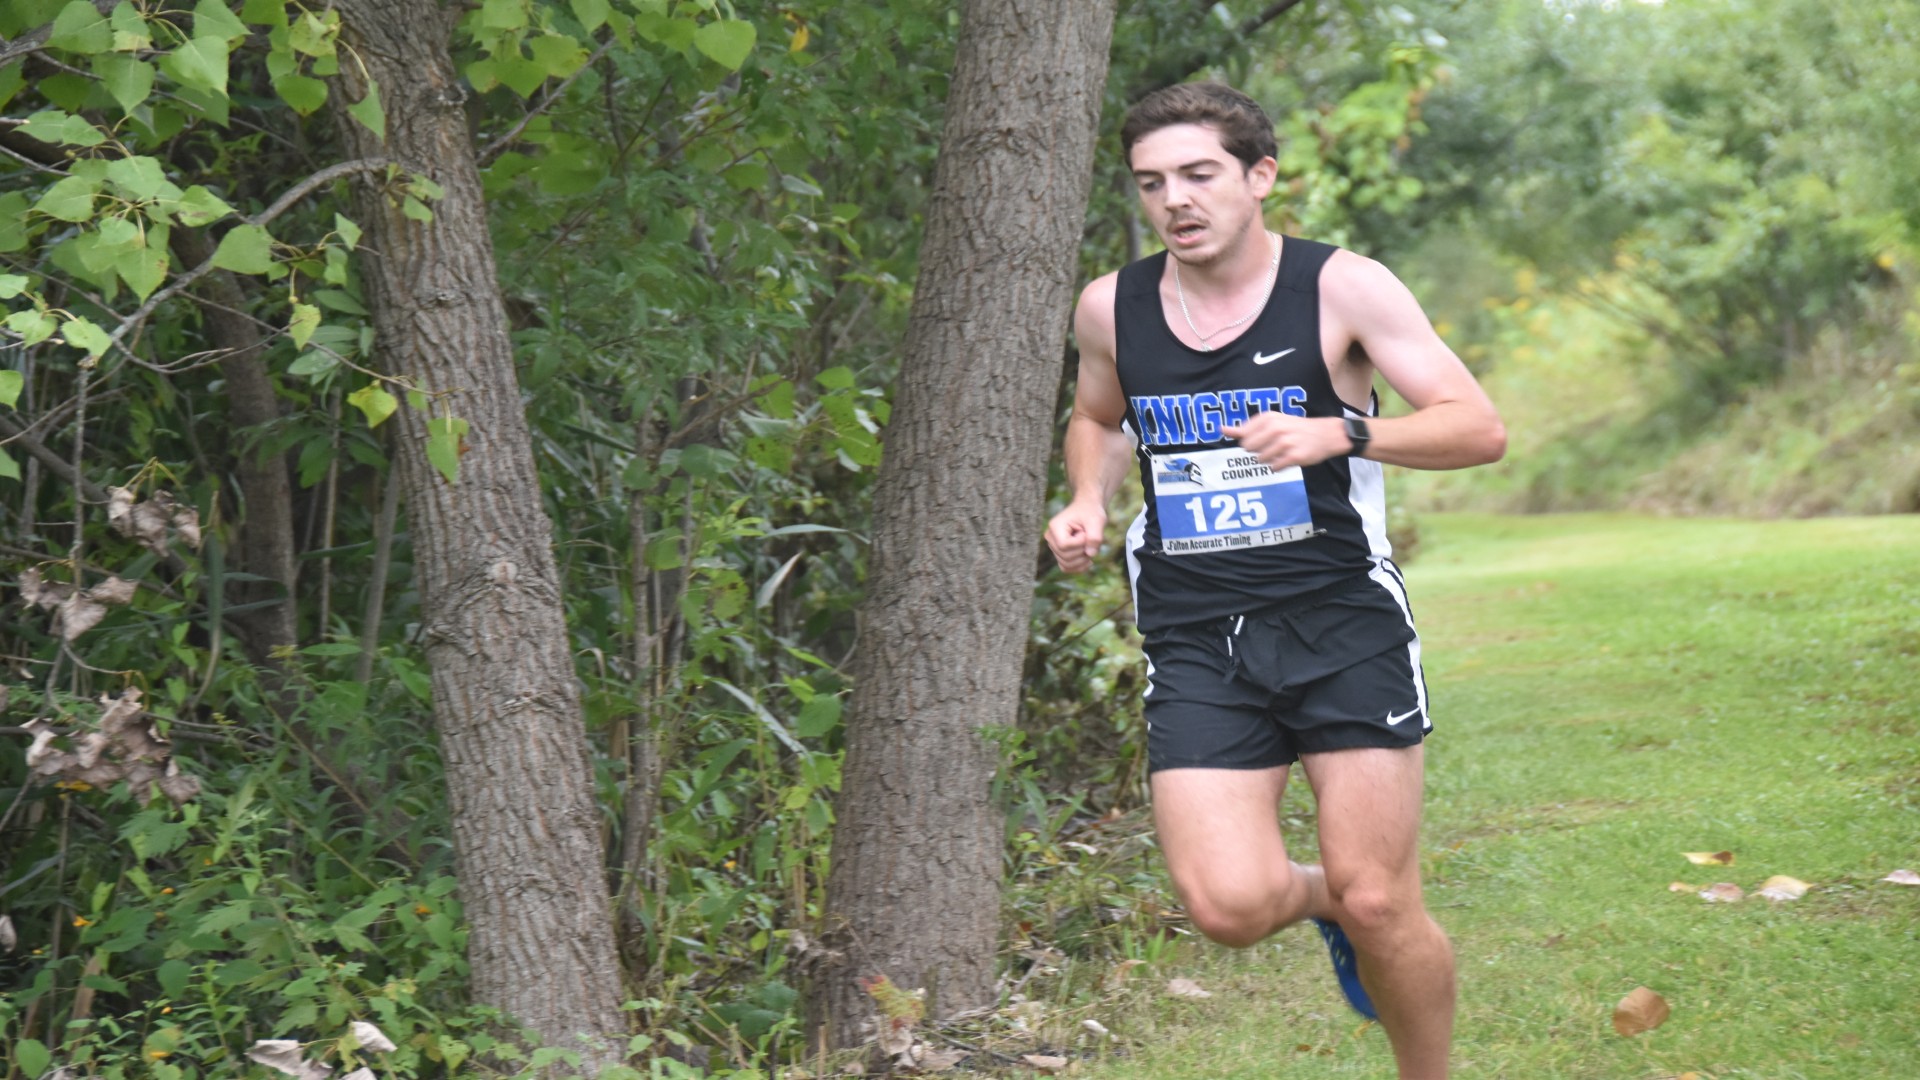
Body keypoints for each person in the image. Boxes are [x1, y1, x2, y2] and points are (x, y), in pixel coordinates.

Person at [1044, 83, 1504, 1080]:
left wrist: (1344, 429)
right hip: (1196, 630)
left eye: (1200, 175)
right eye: (1153, 184)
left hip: (1342, 619)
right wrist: (1087, 497)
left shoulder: (1343, 289)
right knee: (1228, 907)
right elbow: (1099, 416)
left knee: (1383, 894)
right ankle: (1322, 899)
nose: (1177, 200)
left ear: (1260, 177)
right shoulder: (1109, 308)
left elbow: (1478, 426)